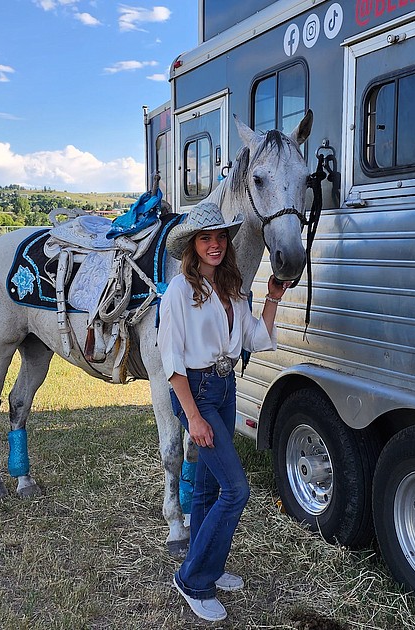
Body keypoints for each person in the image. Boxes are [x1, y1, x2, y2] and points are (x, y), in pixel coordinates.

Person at [158, 200, 290, 622]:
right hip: (197, 391)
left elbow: (256, 338)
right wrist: (192, 417)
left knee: (210, 489)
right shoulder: (179, 292)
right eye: (205, 238)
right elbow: (172, 360)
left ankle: (207, 563)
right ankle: (195, 578)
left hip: (226, 386)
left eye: (219, 237)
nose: (214, 245)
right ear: (192, 246)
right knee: (237, 490)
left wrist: (271, 299)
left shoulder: (232, 288)